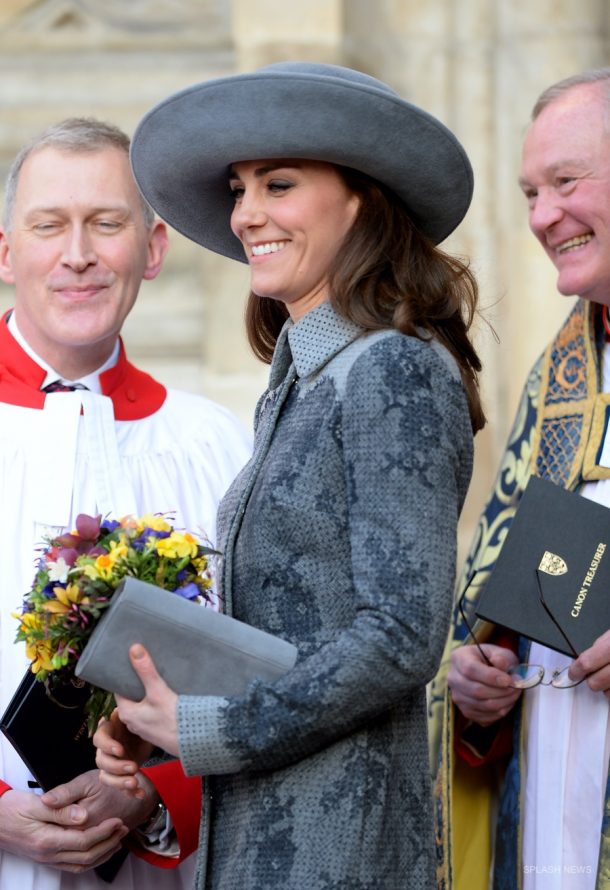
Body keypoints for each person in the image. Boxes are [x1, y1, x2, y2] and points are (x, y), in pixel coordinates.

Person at [93, 61, 485, 889]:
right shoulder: (299, 383)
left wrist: (212, 727)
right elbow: (293, 633)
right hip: (258, 843)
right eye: (239, 189)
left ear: (361, 199)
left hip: (342, 849)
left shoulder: (393, 368)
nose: (246, 214)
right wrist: (162, 716)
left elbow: (399, 637)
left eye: (279, 185)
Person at [0, 118, 251, 890]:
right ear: (6, 253)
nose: (78, 253)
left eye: (107, 224)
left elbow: (257, 678)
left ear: (153, 248)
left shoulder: (216, 446)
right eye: (49, 225)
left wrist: (153, 795)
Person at [431, 68, 610, 890]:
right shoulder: (556, 379)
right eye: (532, 194)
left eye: (566, 183)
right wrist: (477, 681)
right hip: (546, 818)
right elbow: (509, 610)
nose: (541, 217)